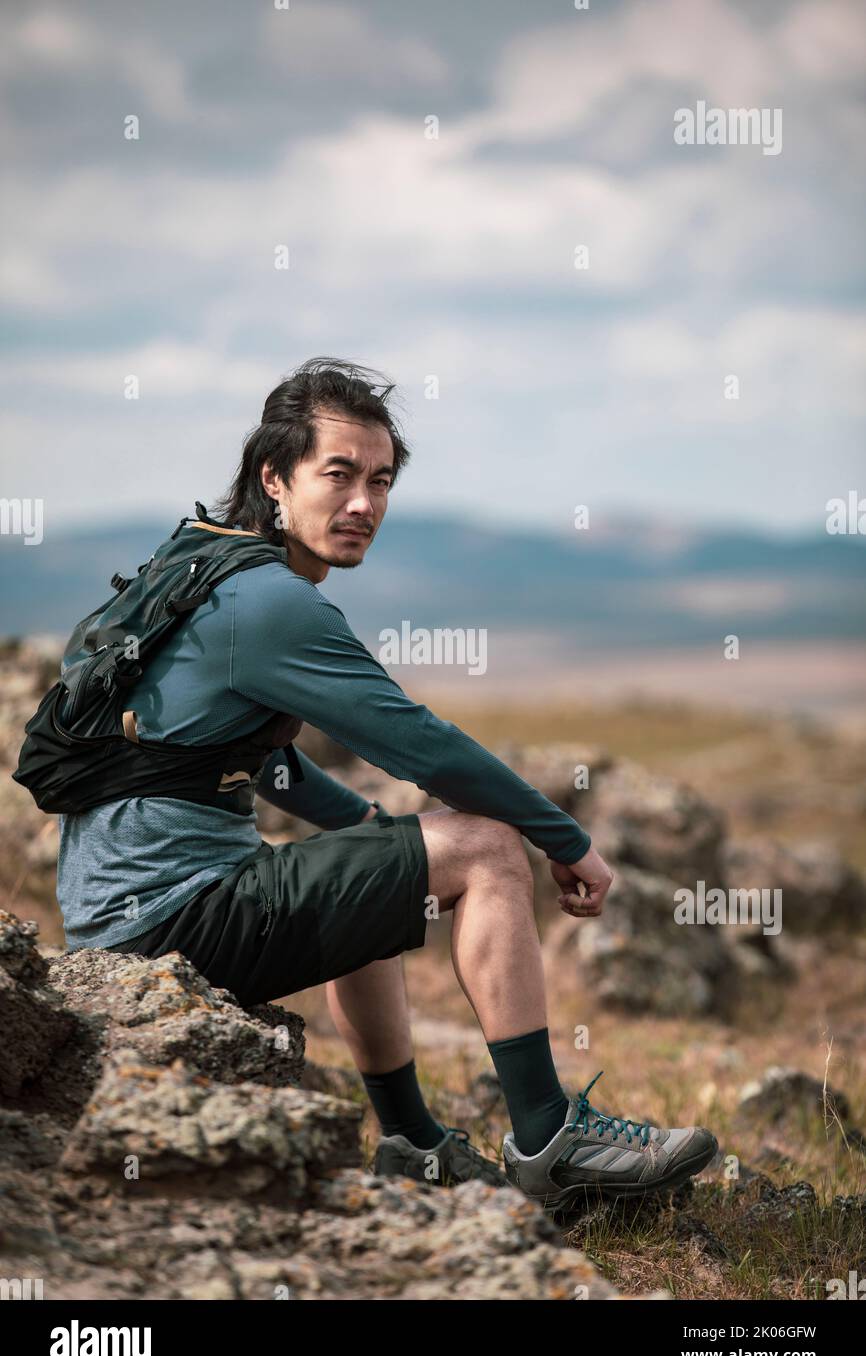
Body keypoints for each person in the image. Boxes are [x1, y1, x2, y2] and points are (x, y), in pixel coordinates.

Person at [56, 357, 717, 1208]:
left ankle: (412, 1142)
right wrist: (566, 838)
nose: (363, 502)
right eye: (338, 475)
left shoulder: (200, 564)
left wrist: (367, 822)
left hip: (123, 919)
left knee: (372, 852)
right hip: (168, 920)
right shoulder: (270, 604)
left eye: (380, 480)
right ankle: (552, 1138)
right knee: (485, 848)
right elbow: (423, 746)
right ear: (274, 477)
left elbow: (256, 760)